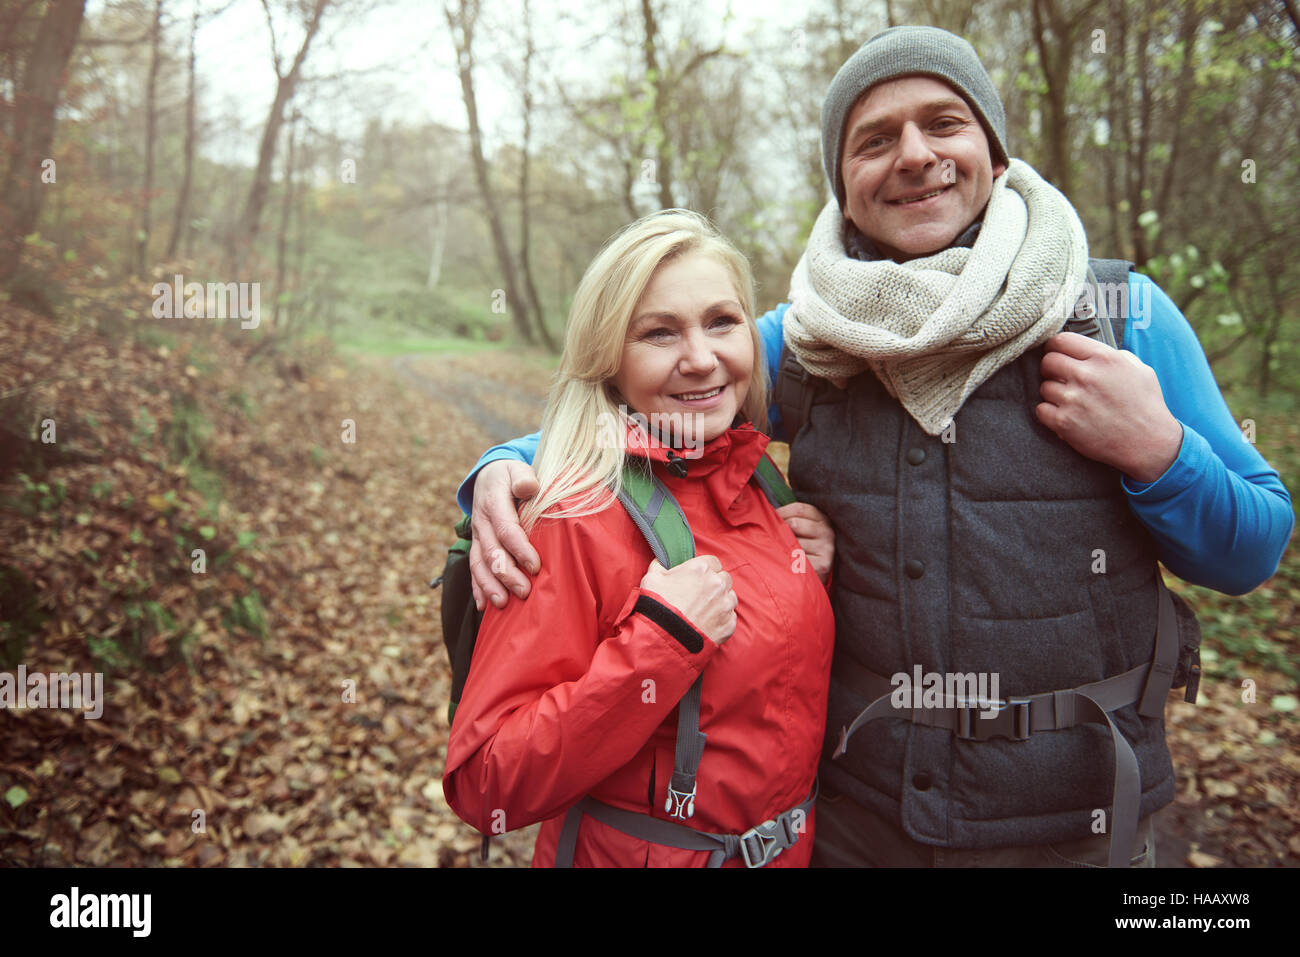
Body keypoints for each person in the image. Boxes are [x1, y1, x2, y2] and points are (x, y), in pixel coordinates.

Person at [457, 27, 1293, 867]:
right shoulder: (812, 340)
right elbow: (658, 395)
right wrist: (503, 464)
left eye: (945, 123)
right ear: (844, 185)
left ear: (994, 155)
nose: (915, 155)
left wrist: (1160, 449)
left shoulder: (1118, 316)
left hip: (1078, 823)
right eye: (875, 139)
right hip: (857, 823)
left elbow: (1251, 549)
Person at [441, 210, 836, 867]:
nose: (702, 358)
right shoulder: (571, 517)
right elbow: (487, 784)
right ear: (609, 360)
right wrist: (659, 642)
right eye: (659, 332)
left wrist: (803, 576)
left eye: (721, 322)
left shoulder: (765, 485)